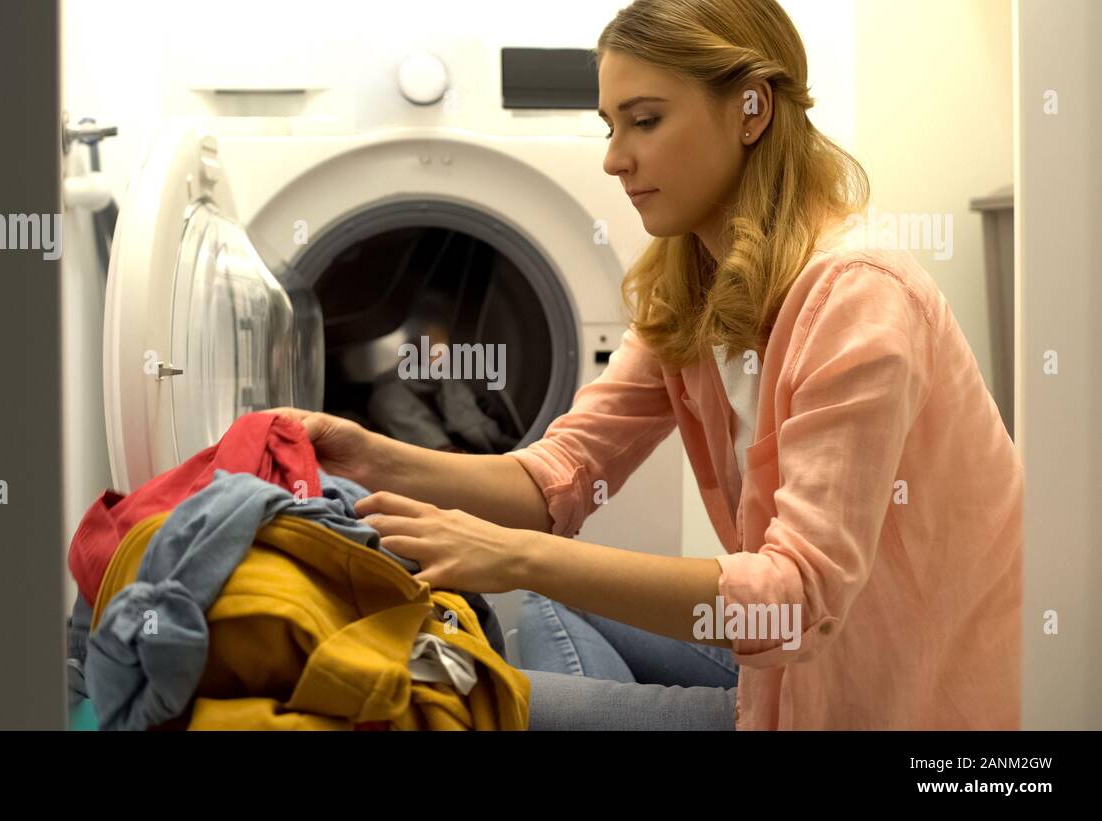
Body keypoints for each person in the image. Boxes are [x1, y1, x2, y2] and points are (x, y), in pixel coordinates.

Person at [271, 0, 1023, 730]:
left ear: (751, 110)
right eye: (608, 125)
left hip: (890, 701)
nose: (613, 158)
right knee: (541, 601)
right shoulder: (691, 286)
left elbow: (793, 598)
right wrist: (371, 455)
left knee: (479, 697)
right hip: (781, 670)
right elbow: (555, 480)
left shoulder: (858, 298)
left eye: (646, 120)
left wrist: (516, 555)